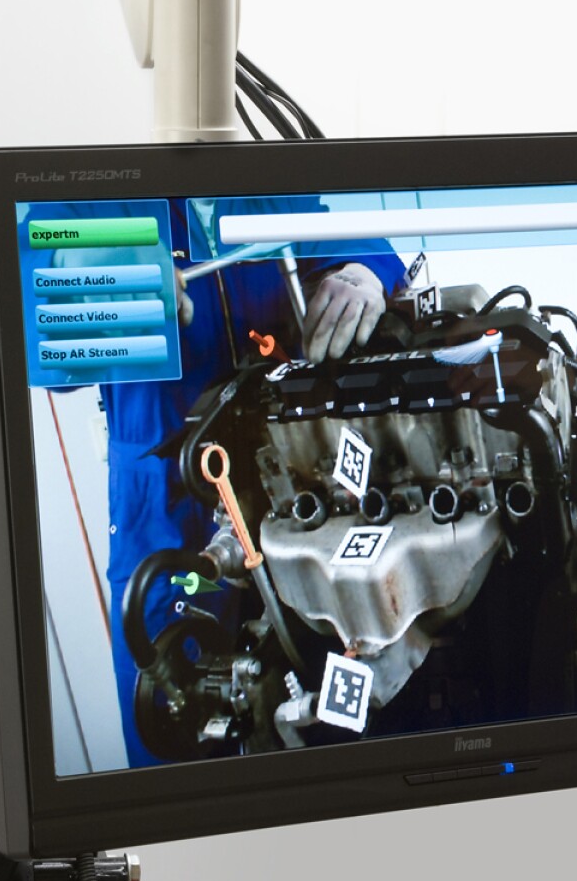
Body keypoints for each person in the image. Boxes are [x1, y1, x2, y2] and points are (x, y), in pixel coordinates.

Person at [93, 195, 404, 766]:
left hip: (291, 495)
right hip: (168, 517)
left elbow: (352, 241)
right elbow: (41, 324)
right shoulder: (92, 202)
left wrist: (366, 272)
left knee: (319, 733)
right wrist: (107, 284)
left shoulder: (261, 185)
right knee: (174, 742)